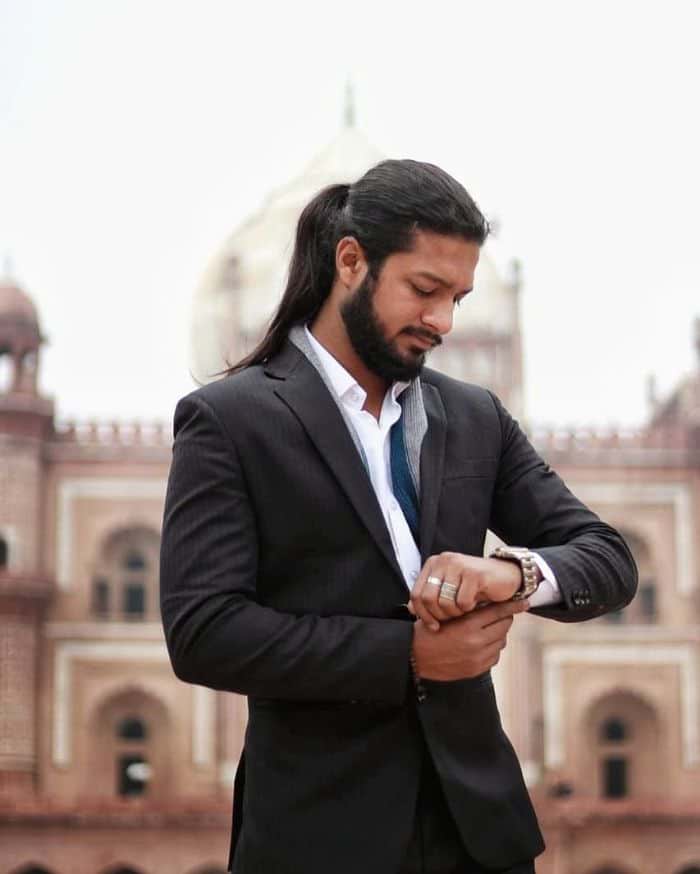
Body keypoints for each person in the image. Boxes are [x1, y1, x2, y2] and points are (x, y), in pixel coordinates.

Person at [159, 159, 637, 874]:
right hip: (319, 838)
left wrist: (509, 572)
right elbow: (204, 632)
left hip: (480, 835)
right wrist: (409, 656)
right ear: (351, 261)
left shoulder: (472, 417)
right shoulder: (233, 420)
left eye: (459, 298)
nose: (442, 321)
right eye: (424, 290)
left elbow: (606, 558)